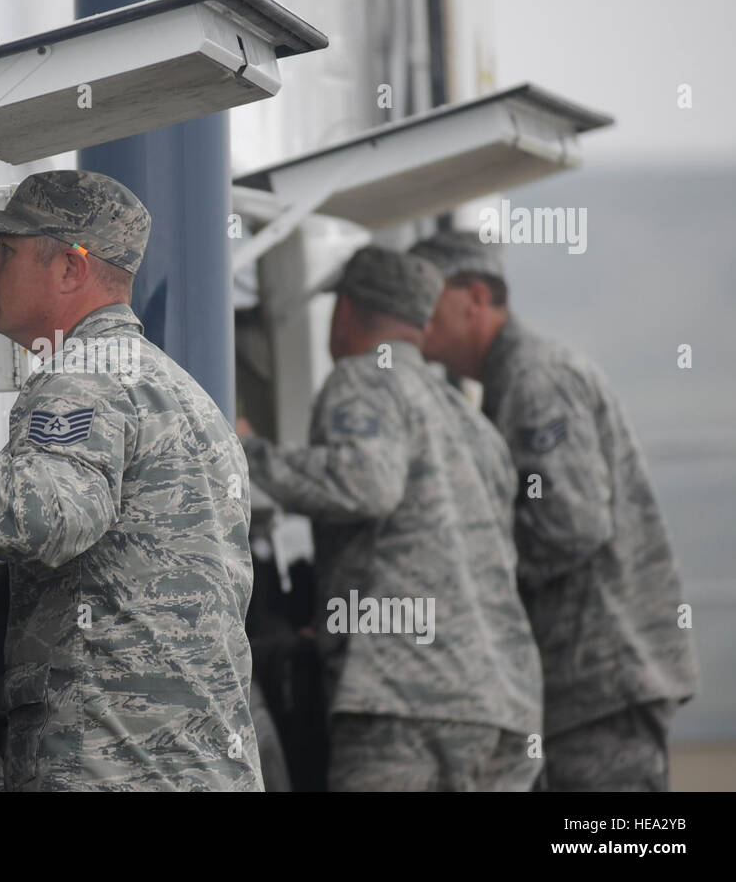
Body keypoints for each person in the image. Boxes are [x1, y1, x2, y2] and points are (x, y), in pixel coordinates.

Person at [0, 170, 263, 791]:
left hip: (113, 765)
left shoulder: (85, 375)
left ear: (71, 268)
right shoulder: (176, 387)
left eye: (6, 251)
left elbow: (49, 519)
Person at [239, 246, 543, 791]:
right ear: (421, 324)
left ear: (345, 313)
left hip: (405, 697)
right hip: (502, 702)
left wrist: (245, 452)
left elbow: (367, 483)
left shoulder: (364, 377)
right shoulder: (471, 421)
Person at [409, 230, 699, 791]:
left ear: (475, 296)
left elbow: (570, 525)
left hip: (599, 682)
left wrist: (470, 579)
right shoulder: (510, 378)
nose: (414, 311)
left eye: (427, 294)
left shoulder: (534, 378)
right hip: (585, 682)